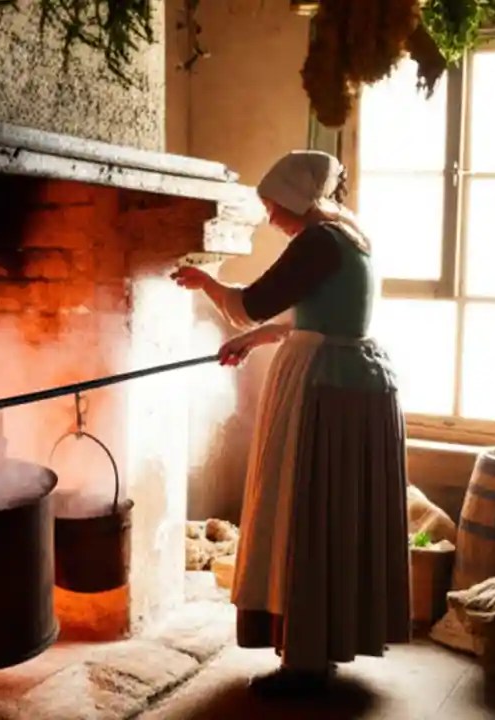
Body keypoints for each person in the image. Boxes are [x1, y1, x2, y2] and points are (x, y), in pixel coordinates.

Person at [171, 150, 410, 696]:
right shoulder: (349, 237)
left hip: (325, 389)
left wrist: (207, 281)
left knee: (305, 511)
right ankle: (320, 644)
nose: (271, 219)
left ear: (298, 200)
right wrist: (254, 341)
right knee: (332, 514)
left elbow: (251, 304)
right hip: (357, 379)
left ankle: (303, 664)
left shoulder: (318, 242)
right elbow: (322, 316)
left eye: (274, 207)